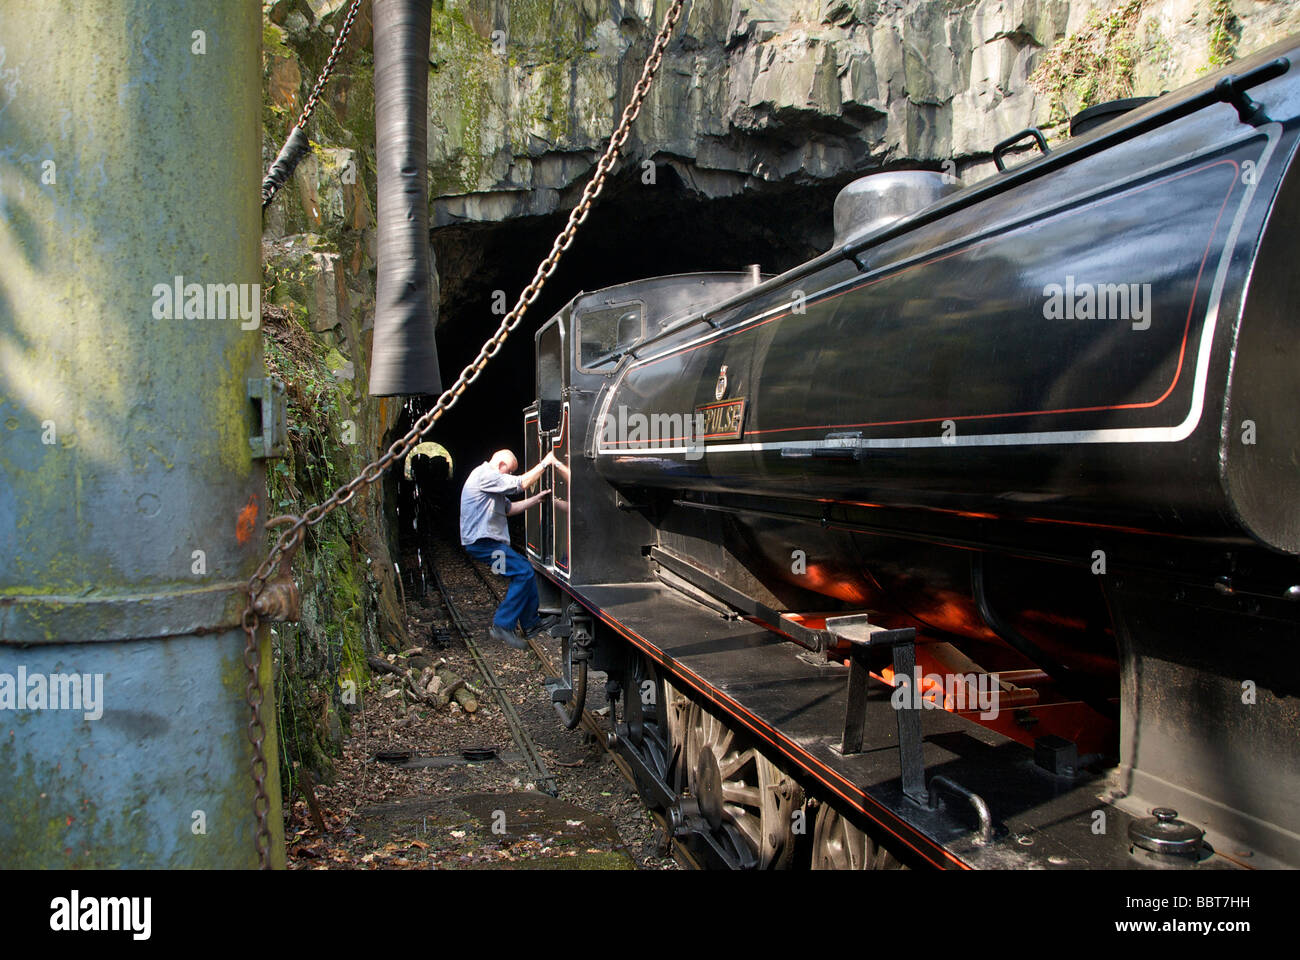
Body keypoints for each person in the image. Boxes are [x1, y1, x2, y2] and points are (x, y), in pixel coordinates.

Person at [460, 448, 558, 648]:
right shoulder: (485, 475)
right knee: (522, 572)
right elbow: (521, 483)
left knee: (524, 570)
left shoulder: (488, 482)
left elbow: (509, 509)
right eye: (510, 471)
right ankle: (502, 625)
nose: (509, 475)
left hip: (486, 543)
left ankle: (531, 624)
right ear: (502, 466)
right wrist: (545, 463)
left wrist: (536, 499)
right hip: (483, 543)